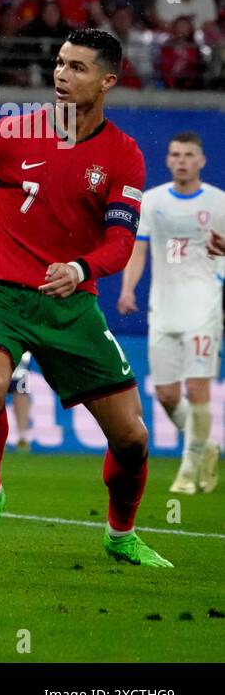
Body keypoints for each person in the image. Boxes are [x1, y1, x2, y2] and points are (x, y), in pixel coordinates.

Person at [0, 28, 171, 567]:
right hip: (2, 295)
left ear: (108, 81)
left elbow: (119, 242)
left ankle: (120, 533)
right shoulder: (12, 133)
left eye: (79, 67)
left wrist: (81, 267)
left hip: (72, 304)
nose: (62, 75)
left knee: (132, 438)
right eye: (60, 63)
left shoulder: (123, 156)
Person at [118, 131, 224, 494]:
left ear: (201, 160)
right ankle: (206, 446)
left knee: (197, 388)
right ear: (167, 160)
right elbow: (139, 250)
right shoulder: (151, 202)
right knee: (165, 394)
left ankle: (189, 468)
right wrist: (128, 287)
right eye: (175, 154)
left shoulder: (219, 202)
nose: (181, 160)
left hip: (204, 309)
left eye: (189, 155)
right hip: (163, 309)